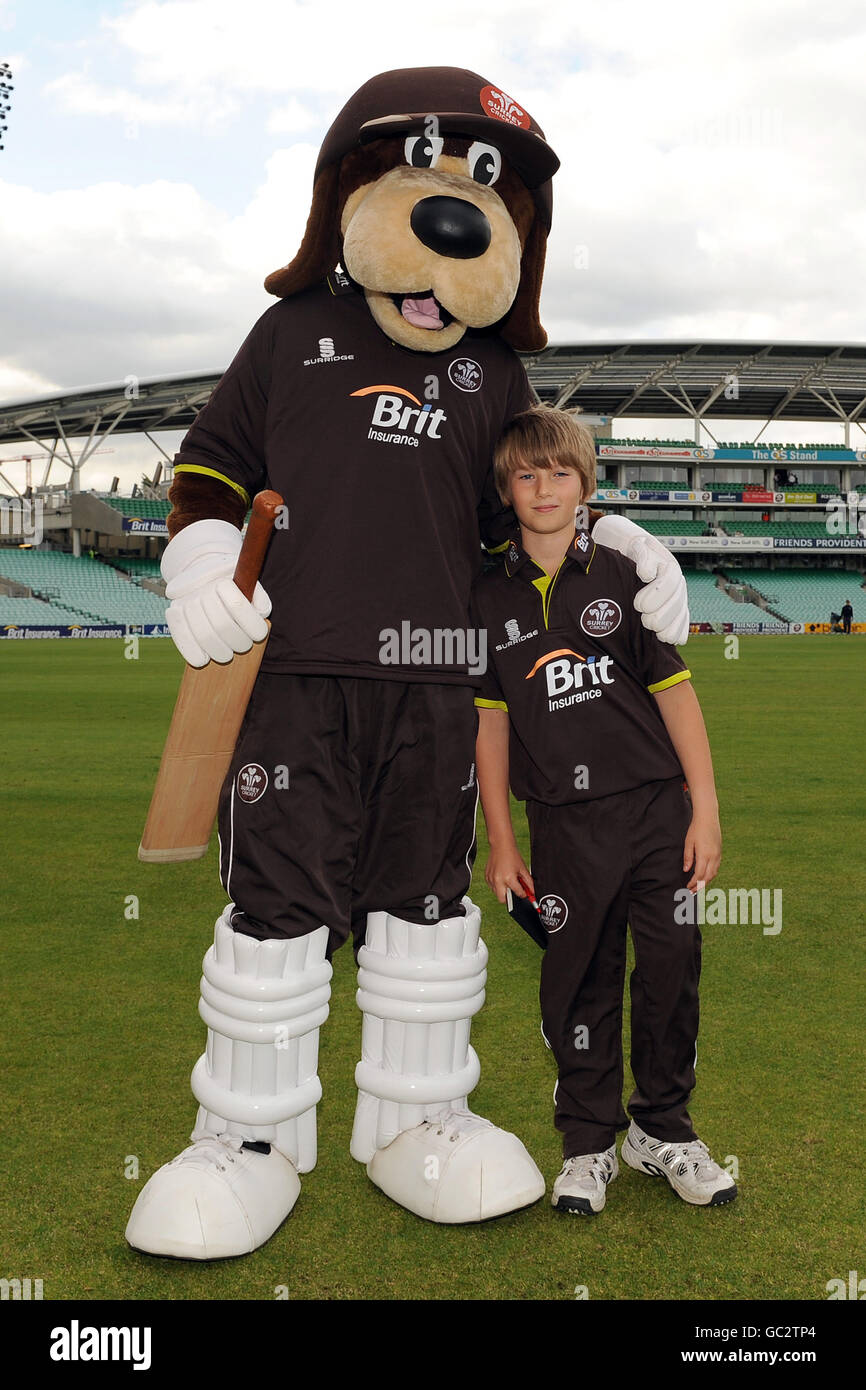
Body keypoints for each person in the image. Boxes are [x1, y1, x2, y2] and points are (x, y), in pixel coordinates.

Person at [471, 404, 737, 1216]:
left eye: (559, 472)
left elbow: (678, 695)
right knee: (579, 985)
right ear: (507, 491)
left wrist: (706, 810)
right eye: (526, 475)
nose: (543, 488)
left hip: (658, 814)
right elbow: (489, 726)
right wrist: (502, 843)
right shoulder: (488, 594)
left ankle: (663, 1130)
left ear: (585, 483)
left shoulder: (628, 575)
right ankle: (588, 1144)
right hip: (563, 825)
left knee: (669, 972)